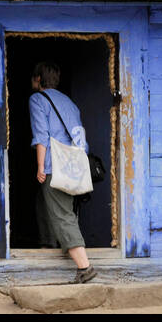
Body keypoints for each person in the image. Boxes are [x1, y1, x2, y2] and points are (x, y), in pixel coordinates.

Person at [29, 60, 96, 283]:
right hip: (74, 165)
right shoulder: (69, 102)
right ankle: (49, 243)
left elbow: (41, 135)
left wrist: (40, 166)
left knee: (63, 216)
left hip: (54, 165)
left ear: (38, 79)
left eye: (33, 77)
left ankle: (85, 267)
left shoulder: (38, 99)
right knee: (60, 210)